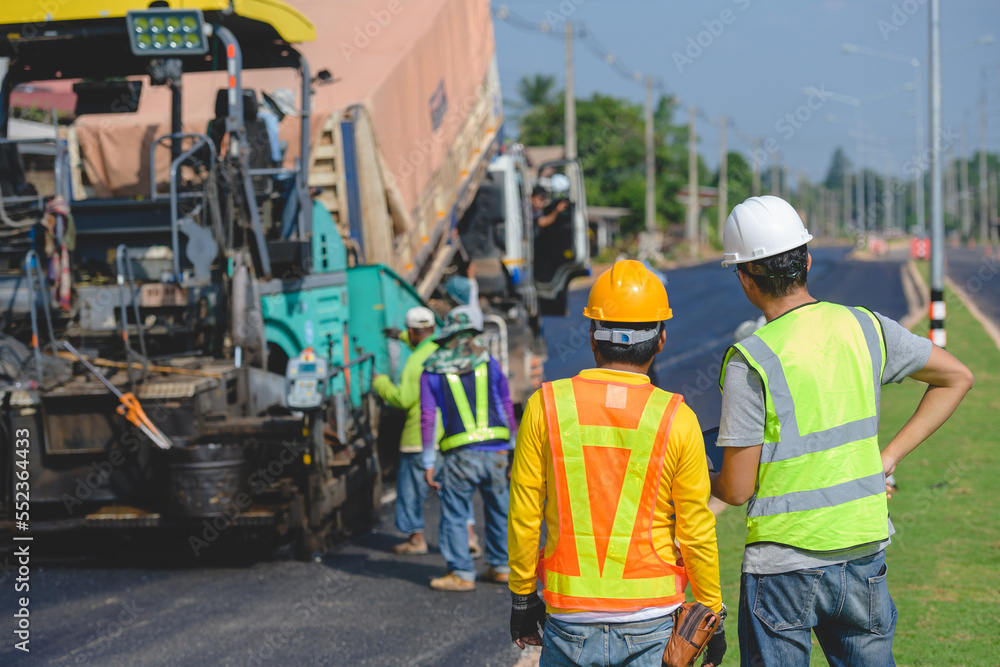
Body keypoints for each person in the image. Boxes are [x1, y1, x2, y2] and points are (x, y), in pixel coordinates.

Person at [711, 195, 974, 667]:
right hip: (862, 554)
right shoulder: (866, 326)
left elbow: (735, 489)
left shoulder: (750, 359)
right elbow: (957, 376)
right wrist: (887, 457)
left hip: (782, 567)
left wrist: (696, 469)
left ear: (745, 279)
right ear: (807, 259)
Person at [507, 259, 727, 667]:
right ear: (661, 340)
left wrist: (522, 595)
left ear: (593, 337)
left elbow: (524, 512)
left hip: (569, 618)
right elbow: (695, 528)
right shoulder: (677, 418)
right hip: (653, 619)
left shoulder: (546, 406)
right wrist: (711, 609)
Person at [420, 311, 517, 591]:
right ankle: (501, 567)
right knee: (499, 511)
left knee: (455, 513)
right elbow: (506, 405)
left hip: (460, 455)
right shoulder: (490, 362)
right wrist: (512, 448)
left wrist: (428, 461)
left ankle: (462, 573)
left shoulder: (431, 371)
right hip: (498, 451)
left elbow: (428, 417)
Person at [372, 306, 440, 555]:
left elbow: (403, 398)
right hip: (448, 436)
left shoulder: (414, 363)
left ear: (412, 331)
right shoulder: (441, 350)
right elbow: (423, 342)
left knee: (410, 491)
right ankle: (470, 539)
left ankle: (416, 539)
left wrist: (380, 382)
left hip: (418, 438)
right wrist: (400, 336)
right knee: (452, 493)